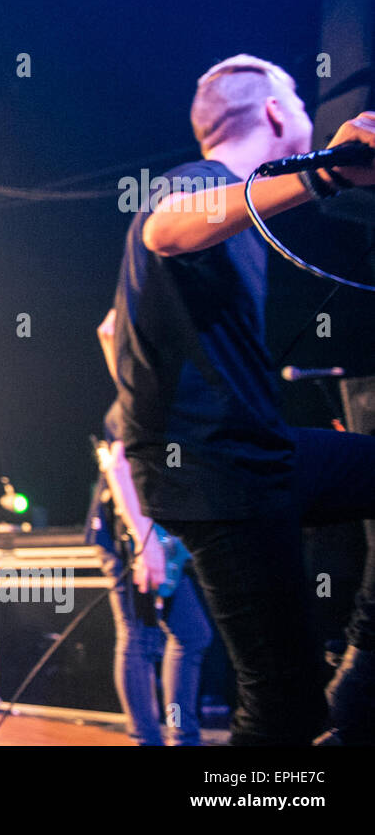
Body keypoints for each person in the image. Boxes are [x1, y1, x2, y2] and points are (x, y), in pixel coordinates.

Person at [109, 53, 375, 745]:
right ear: (278, 112)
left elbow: (112, 330)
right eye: (297, 96)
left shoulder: (237, 206)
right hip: (219, 476)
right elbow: (167, 229)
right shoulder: (203, 183)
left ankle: (364, 666)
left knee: (294, 702)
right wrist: (327, 171)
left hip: (260, 456)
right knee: (282, 704)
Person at [90, 309, 212, 746]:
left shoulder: (163, 392)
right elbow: (119, 467)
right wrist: (147, 546)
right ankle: (148, 738)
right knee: (140, 637)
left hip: (157, 533)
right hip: (128, 533)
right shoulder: (133, 398)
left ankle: (182, 736)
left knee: (191, 634)